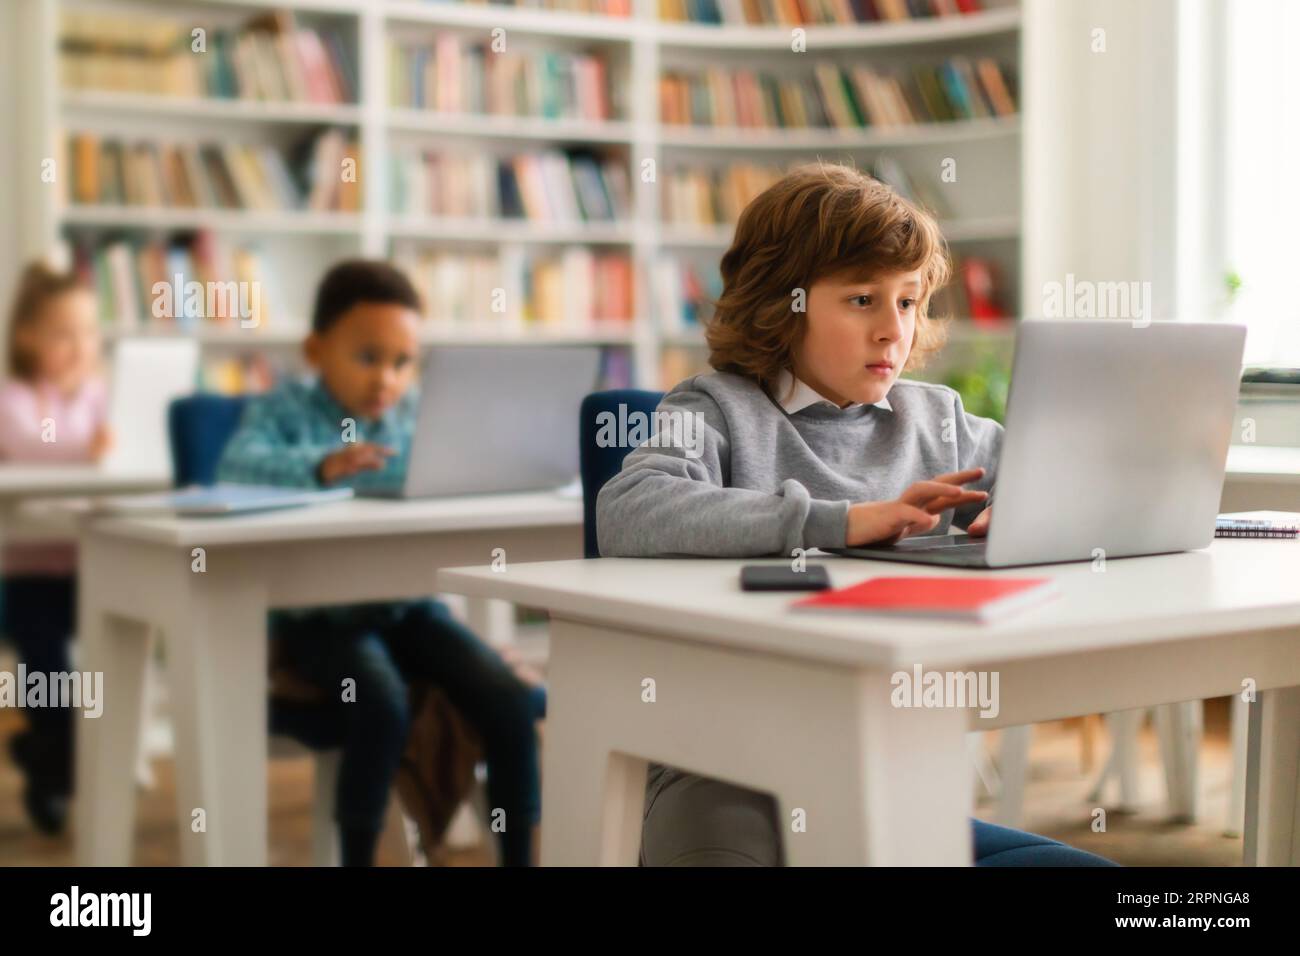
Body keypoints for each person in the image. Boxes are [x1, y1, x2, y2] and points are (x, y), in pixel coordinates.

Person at [597, 163, 1114, 867]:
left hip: (888, 773)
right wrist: (841, 522)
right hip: (721, 767)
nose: (891, 331)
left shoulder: (939, 419)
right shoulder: (715, 407)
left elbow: (1064, 476)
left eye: (908, 302)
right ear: (784, 304)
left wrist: (1030, 512)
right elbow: (629, 510)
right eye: (863, 299)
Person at [217, 259, 540, 866]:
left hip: (407, 607)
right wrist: (321, 465)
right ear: (317, 349)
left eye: (401, 362)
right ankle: (358, 857)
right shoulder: (283, 410)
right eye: (368, 358)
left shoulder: (414, 415)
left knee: (507, 697)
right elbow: (238, 465)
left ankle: (519, 856)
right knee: (380, 701)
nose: (386, 379)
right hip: (317, 620)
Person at [0, 261, 111, 834]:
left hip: (92, 572)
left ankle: (46, 759)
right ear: (28, 337)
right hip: (30, 577)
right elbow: (31, 447)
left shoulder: (98, 397)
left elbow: (123, 448)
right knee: (51, 678)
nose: (79, 347)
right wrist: (89, 449)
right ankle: (50, 766)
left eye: (89, 334)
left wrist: (106, 442)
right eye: (63, 334)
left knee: (103, 675)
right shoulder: (13, 400)